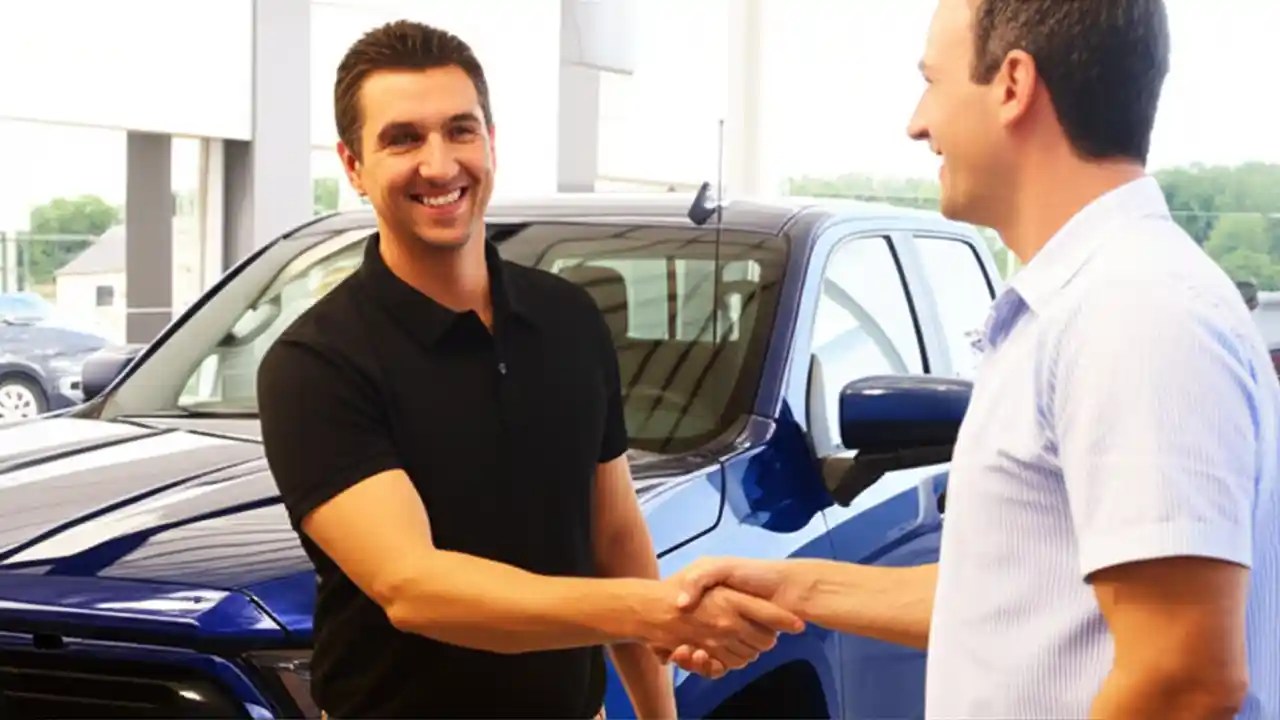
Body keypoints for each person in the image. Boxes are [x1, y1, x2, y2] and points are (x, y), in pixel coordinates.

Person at [664, 0, 1279, 718]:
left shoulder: (1133, 311)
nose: (918, 122)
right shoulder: (1089, 304)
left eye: (932, 80)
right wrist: (791, 588)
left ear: (1013, 84)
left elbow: (1182, 676)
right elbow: (1019, 600)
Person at [255, 20, 803, 719]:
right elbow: (415, 587)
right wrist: (653, 610)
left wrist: (656, 710)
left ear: (491, 142)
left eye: (460, 130)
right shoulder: (317, 364)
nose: (439, 163)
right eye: (403, 138)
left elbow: (615, 534)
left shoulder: (569, 319)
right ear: (354, 166)